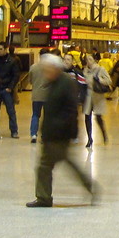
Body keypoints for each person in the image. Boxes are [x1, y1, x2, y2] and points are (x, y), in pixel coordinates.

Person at [26, 54, 96, 207]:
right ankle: (90, 187)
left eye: (47, 69)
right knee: (60, 164)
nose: (45, 72)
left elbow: (71, 110)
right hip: (54, 133)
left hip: (59, 134)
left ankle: (44, 198)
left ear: (54, 68)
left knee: (46, 166)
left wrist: (65, 131)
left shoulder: (65, 83)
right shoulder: (55, 81)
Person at [0, 45, 20, 140]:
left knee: (11, 110)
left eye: (1, 49)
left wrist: (10, 87)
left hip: (6, 89)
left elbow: (16, 75)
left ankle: (14, 130)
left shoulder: (12, 61)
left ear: (5, 49)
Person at [83, 54, 111, 148]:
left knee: (99, 117)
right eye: (87, 60)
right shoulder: (86, 70)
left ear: (94, 60)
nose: (89, 61)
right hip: (89, 95)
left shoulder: (100, 69)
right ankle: (89, 138)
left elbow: (108, 81)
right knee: (87, 117)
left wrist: (99, 79)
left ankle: (104, 135)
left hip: (98, 96)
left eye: (90, 59)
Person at [27, 51, 51, 143]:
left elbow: (30, 81)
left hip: (36, 95)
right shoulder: (50, 68)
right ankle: (45, 135)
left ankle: (33, 134)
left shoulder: (33, 67)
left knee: (35, 115)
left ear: (39, 56)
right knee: (47, 116)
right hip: (48, 95)